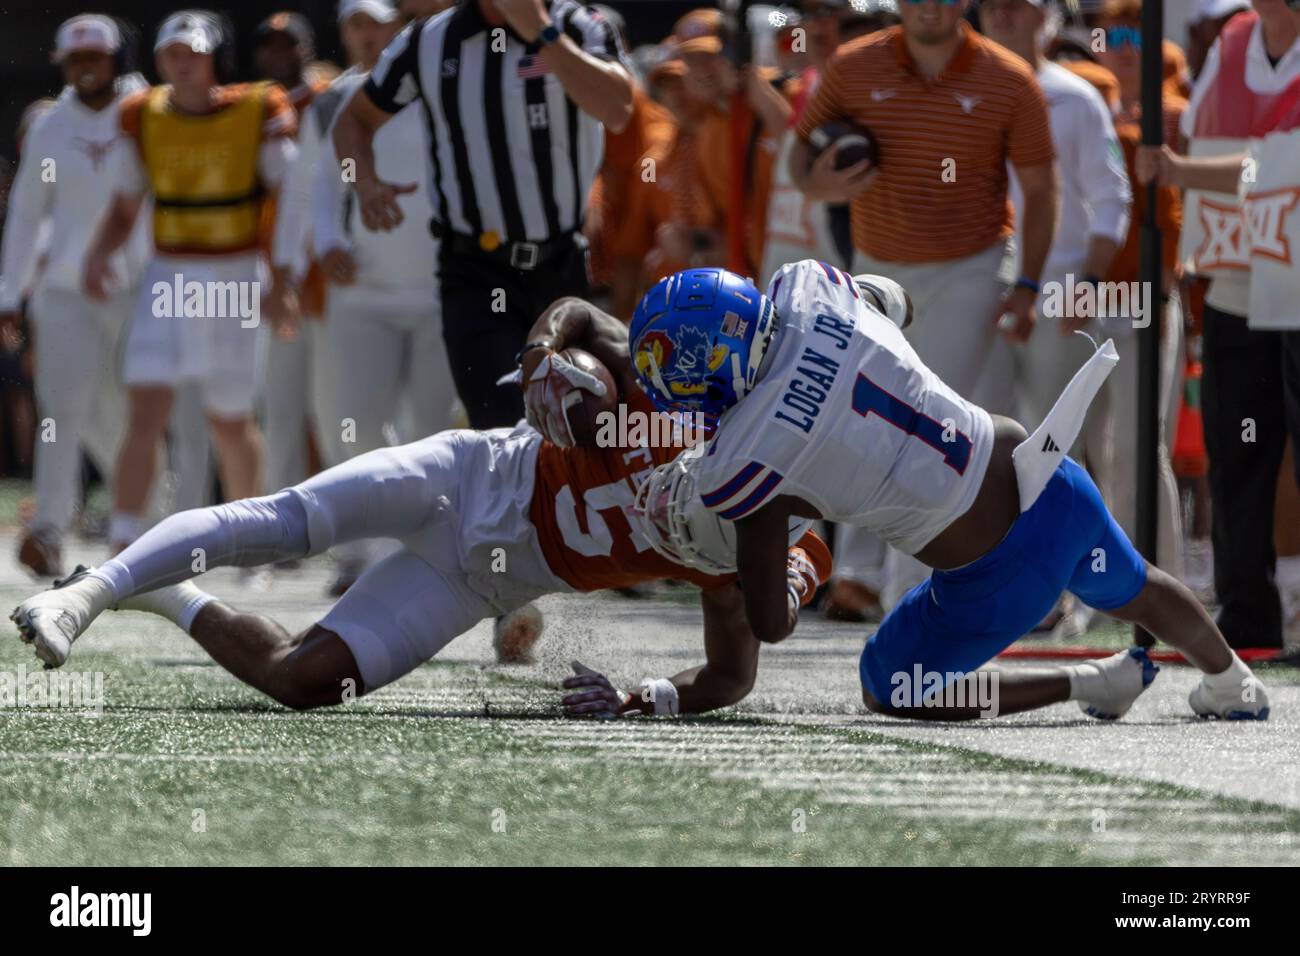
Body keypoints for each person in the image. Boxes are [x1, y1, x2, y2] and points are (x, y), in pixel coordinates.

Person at [11, 297, 830, 716]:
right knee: (286, 522)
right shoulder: (680, 390)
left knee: (307, 682)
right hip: (471, 475)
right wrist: (547, 354)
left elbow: (729, 674)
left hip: (483, 581)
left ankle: (165, 592)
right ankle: (86, 595)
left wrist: (651, 696)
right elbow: (577, 313)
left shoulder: (739, 553)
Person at [626, 261, 1272, 721]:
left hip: (995, 571)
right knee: (1140, 586)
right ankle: (1232, 681)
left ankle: (1086, 684)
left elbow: (769, 624)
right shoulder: (808, 284)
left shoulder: (749, 459)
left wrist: (787, 565)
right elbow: (899, 302)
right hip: (1044, 471)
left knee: (891, 687)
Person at [788, 0, 1059, 611]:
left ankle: (913, 587)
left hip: (973, 263)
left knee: (933, 419)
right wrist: (819, 184)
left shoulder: (1009, 76)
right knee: (864, 412)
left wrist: (1029, 287)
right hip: (876, 264)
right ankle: (858, 572)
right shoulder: (853, 65)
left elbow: (1041, 189)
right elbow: (800, 156)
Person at [332, 0, 635, 429]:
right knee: (503, 429)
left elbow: (618, 110)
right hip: (475, 271)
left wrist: (543, 33)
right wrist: (363, 183)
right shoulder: (428, 40)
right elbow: (353, 121)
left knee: (575, 423)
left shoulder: (577, 23)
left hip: (559, 266)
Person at [84, 10, 298, 556]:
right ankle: (125, 534)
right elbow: (126, 204)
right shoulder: (143, 114)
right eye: (171, 54)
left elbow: (287, 200)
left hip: (234, 273)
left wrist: (281, 279)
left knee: (230, 418)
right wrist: (97, 255)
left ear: (214, 59)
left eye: (192, 54)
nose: (181, 64)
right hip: (169, 274)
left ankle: (248, 534)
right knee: (146, 407)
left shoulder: (258, 108)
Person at [1166, 0, 1300, 650]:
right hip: (1237, 281)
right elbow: (1210, 137)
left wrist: (1179, 172)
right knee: (1236, 450)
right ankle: (1247, 613)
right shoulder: (1232, 41)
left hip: (1298, 285)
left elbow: (1272, 164)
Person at [0, 15, 149, 577]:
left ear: (118, 58)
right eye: (76, 60)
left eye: (97, 57)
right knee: (60, 410)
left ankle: (145, 515)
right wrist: (9, 293)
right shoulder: (50, 127)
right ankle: (50, 528)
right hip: (65, 291)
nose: (87, 68)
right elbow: (26, 214)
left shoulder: (147, 112)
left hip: (138, 289)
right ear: (64, 65)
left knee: (127, 410)